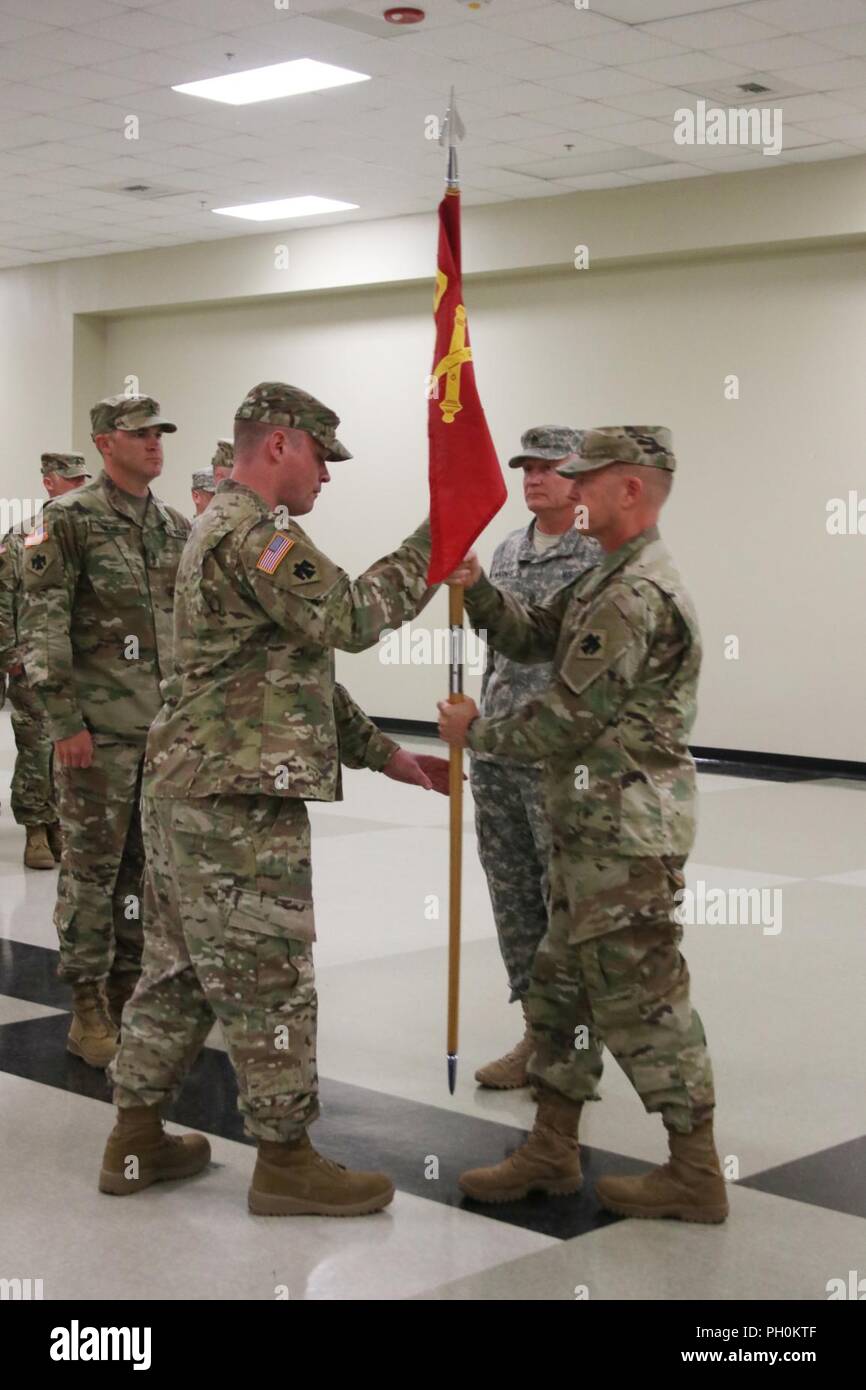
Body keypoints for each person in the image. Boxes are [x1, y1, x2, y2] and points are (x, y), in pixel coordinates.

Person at [99, 381, 446, 1219]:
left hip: (194, 786)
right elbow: (354, 617)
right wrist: (439, 543)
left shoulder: (228, 529)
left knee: (178, 973)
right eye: (323, 455)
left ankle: (135, 1139)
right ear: (282, 443)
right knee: (269, 975)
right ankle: (286, 1161)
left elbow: (288, 674)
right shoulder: (253, 533)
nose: (327, 475)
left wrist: (385, 755)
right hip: (233, 801)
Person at [439, 427, 727, 1224]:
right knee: (559, 990)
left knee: (643, 999)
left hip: (624, 834)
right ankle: (552, 1147)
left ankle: (695, 1170)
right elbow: (534, 634)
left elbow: (566, 720)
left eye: (587, 479)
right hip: (590, 828)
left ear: (629, 489)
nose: (572, 489)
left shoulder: (635, 594)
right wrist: (481, 589)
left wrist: (476, 736)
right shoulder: (609, 574)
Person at [18, 396, 190, 1068]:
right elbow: (42, 626)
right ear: (103, 443)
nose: (154, 444)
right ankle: (87, 1005)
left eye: (159, 434)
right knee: (91, 873)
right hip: (96, 734)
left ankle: (127, 988)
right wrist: (62, 722)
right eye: (139, 434)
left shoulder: (173, 528)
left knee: (143, 875)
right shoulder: (65, 523)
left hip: (159, 735)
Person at [471, 427, 600, 1089]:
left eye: (549, 468)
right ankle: (534, 1029)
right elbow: (498, 648)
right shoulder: (506, 551)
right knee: (514, 897)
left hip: (558, 759)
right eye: (526, 467)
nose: (533, 478)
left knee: (565, 905)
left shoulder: (599, 556)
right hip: (496, 753)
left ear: (580, 478)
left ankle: (570, 1044)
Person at [0, 454, 90, 869]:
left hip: (83, 665)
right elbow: (2, 603)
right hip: (34, 661)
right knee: (36, 746)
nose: (78, 486)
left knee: (69, 747)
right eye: (70, 480)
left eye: (82, 479)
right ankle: (36, 826)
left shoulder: (89, 538)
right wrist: (12, 655)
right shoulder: (21, 540)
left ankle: (62, 824)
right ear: (50, 484)